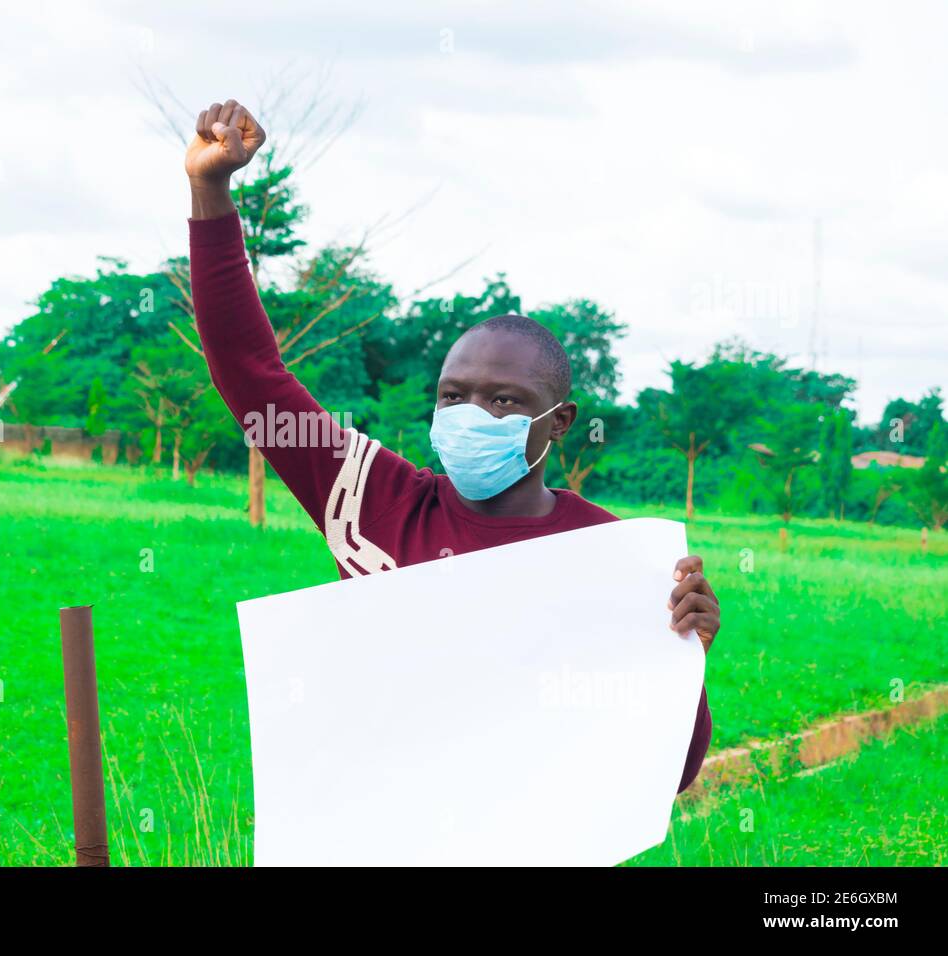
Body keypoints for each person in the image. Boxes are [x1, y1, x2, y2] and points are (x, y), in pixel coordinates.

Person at [186, 99, 719, 794]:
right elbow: (250, 375)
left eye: (504, 401)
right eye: (452, 395)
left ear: (559, 422)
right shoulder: (374, 501)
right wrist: (210, 190)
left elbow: (665, 775)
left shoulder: (613, 558)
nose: (471, 414)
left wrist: (685, 658)